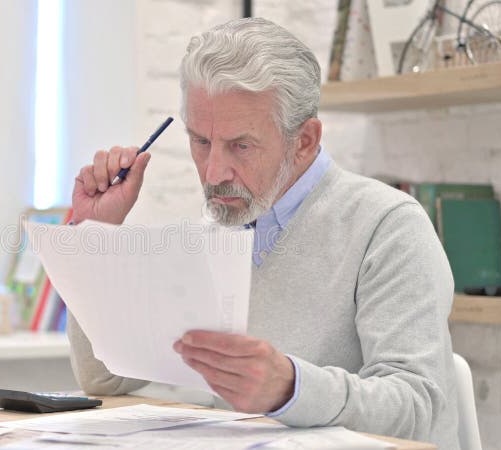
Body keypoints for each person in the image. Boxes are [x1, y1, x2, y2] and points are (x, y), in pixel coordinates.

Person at [67, 17, 459, 450]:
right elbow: (105, 377)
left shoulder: (389, 226)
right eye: (200, 141)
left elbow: (419, 408)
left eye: (241, 146)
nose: (214, 173)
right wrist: (94, 237)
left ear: (305, 141)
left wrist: (290, 388)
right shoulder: (216, 224)